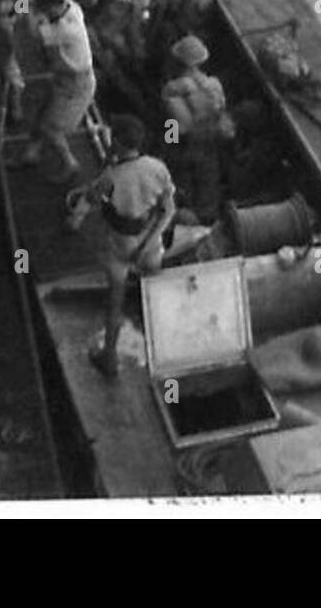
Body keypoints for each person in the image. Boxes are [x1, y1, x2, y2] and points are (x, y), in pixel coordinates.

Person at [66, 114, 176, 379]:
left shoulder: (111, 177)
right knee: (156, 293)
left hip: (121, 245)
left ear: (116, 141)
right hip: (150, 242)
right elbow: (168, 210)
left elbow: (88, 202)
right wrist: (149, 241)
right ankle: (168, 350)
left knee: (115, 302)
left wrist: (73, 220)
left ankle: (110, 357)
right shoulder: (158, 168)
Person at [17, 0, 95, 183]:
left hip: (75, 84)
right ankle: (31, 153)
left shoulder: (66, 29)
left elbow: (32, 31)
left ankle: (70, 163)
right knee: (41, 110)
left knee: (51, 127)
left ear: (51, 7)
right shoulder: (71, 5)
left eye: (42, 8)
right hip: (61, 76)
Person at [161, 34, 232, 223]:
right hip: (210, 148)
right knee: (207, 196)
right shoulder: (215, 86)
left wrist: (169, 150)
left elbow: (172, 127)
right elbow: (221, 116)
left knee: (180, 193)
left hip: (186, 149)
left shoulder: (172, 89)